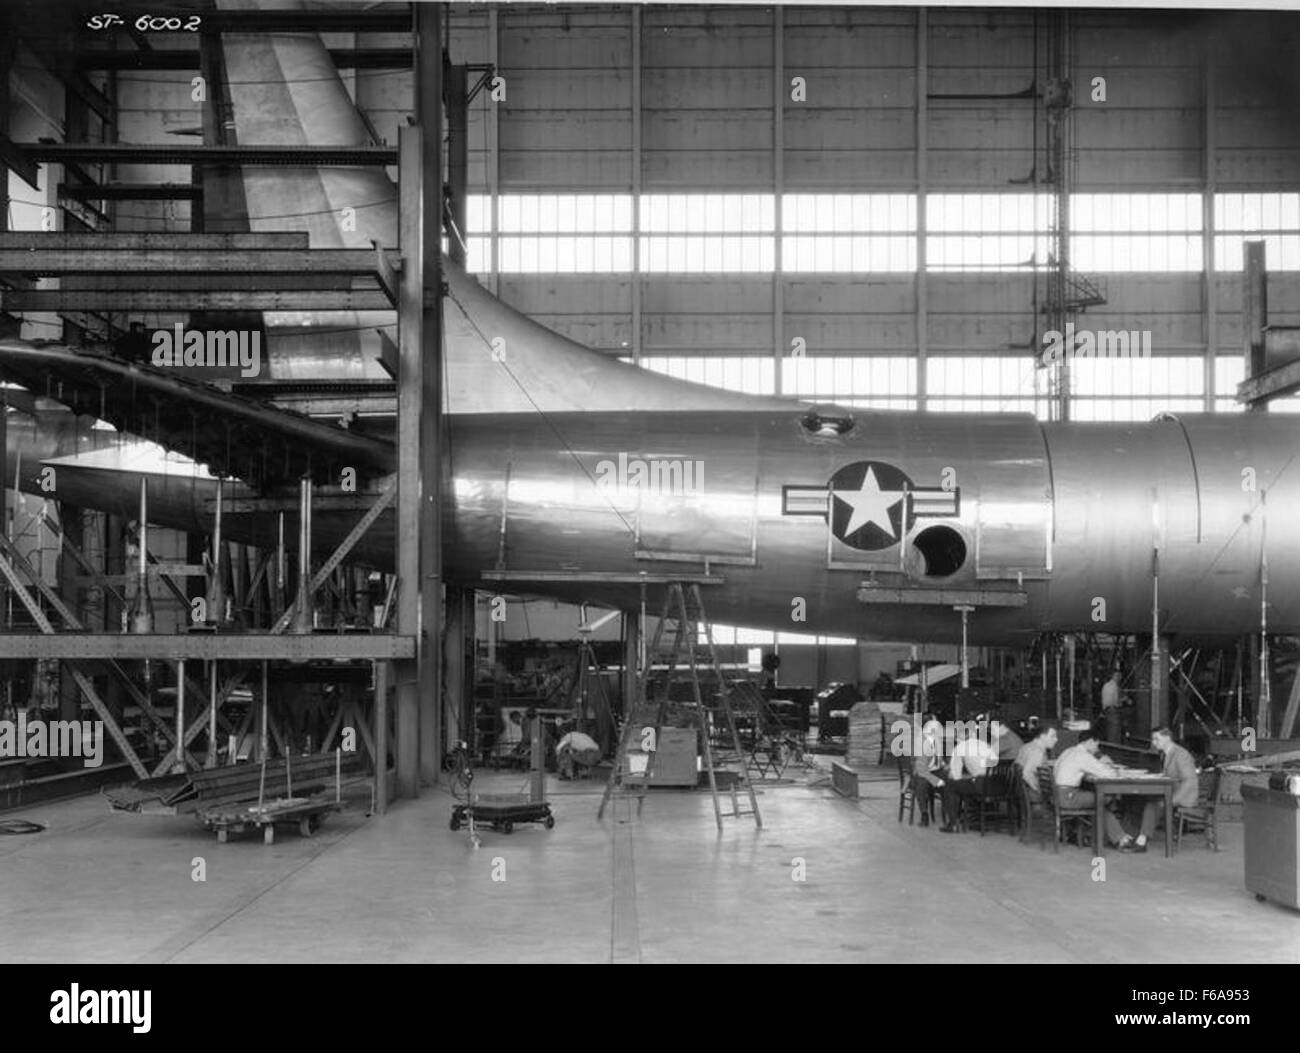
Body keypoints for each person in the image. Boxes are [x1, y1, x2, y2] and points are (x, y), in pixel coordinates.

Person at [1053, 728, 1134, 849]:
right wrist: (1108, 765)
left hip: (1057, 794)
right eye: (1097, 744)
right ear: (1090, 741)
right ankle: (1119, 838)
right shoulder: (1083, 756)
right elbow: (1108, 774)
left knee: (1099, 799)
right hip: (1068, 797)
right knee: (1104, 799)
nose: (1097, 748)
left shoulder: (1068, 751)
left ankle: (1092, 833)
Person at [1128, 726, 1200, 853]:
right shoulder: (1167, 753)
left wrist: (1171, 801)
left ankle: (1142, 840)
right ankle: (1132, 836)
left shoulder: (1181, 754)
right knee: (1139, 800)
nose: (1154, 743)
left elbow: (1189, 781)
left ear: (1167, 738)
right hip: (1171, 792)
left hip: (1183, 796)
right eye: (1153, 739)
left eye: (1157, 739)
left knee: (1153, 803)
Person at [938, 722, 999, 833]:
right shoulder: (985, 744)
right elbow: (994, 762)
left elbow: (955, 775)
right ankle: (978, 819)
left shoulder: (960, 747)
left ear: (958, 737)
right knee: (969, 783)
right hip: (997, 785)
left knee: (951, 785)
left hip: (981, 785)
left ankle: (953, 823)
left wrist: (963, 775)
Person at [910, 715, 946, 826]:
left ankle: (953, 814)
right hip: (923, 771)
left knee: (951, 781)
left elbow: (940, 758)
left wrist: (944, 764)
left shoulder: (938, 739)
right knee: (921, 784)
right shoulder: (920, 740)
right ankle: (924, 813)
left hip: (936, 770)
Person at [1015, 723, 1058, 801]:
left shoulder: (1027, 746)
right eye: (1052, 736)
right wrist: (1040, 791)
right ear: (1042, 736)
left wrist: (1048, 762)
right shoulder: (1037, 752)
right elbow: (1027, 774)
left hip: (1020, 791)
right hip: (1031, 793)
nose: (1056, 739)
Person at [1100, 671, 1123, 742]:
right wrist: (1123, 700)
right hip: (1113, 710)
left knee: (1111, 731)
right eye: (1119, 676)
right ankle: (1114, 749)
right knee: (1114, 732)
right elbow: (1114, 701)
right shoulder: (1114, 686)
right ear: (1115, 676)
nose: (1120, 678)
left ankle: (1112, 747)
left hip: (1107, 710)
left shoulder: (1106, 685)